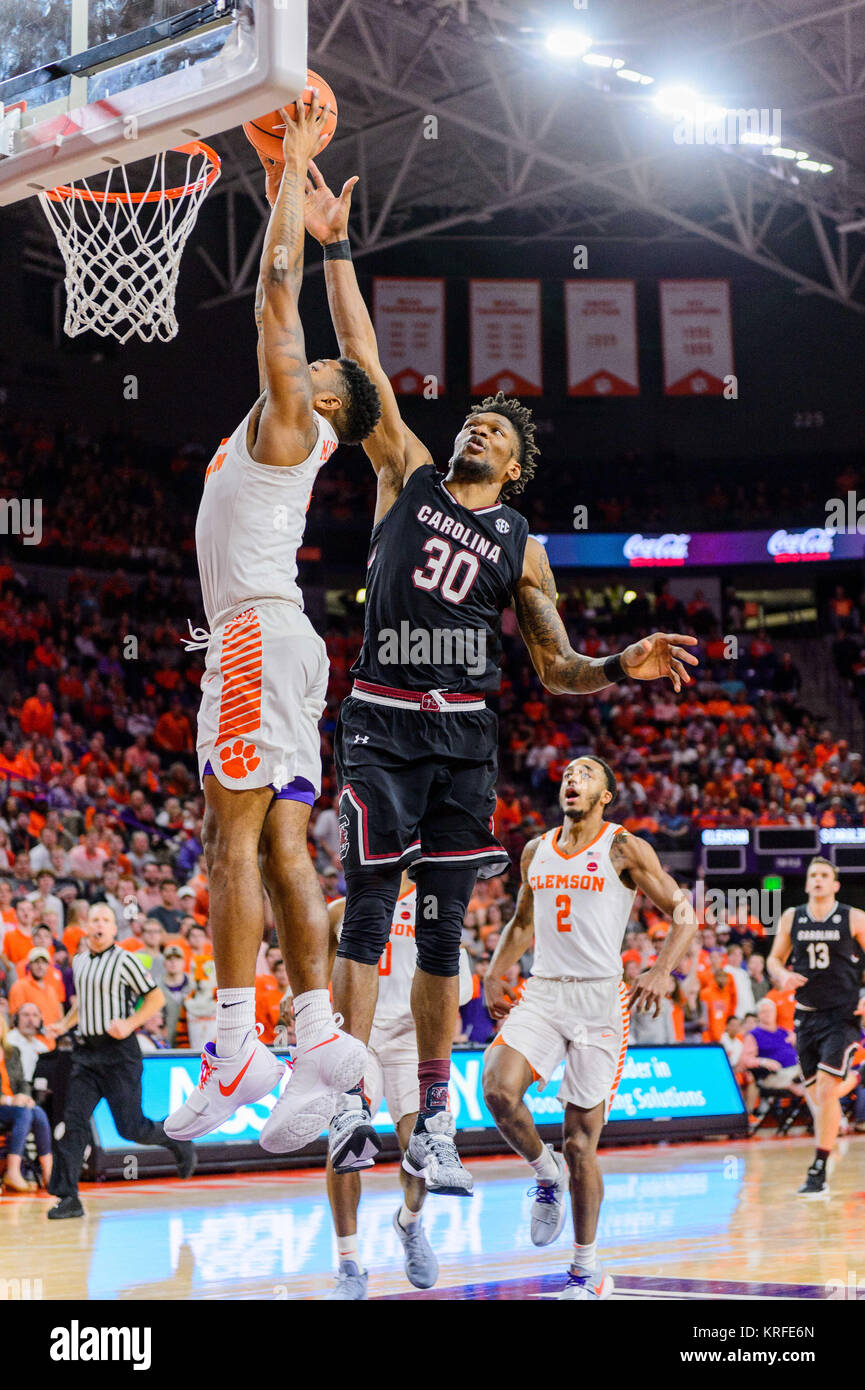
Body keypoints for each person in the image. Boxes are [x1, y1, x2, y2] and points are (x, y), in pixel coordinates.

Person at [303, 160, 699, 1191]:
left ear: (515, 466)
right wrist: (333, 244)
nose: (475, 426)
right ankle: (350, 1105)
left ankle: (432, 1119)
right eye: (471, 420)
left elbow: (556, 667)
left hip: (464, 735)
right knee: (368, 904)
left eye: (494, 429)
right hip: (384, 713)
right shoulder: (407, 472)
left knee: (441, 931)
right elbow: (362, 357)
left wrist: (618, 663)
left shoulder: (523, 545)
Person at [164, 98, 381, 1149]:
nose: (312, 362)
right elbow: (337, 337)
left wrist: (288, 174)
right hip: (284, 639)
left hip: (253, 634)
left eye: (322, 370)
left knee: (229, 836)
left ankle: (232, 1039)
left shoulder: (295, 417)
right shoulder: (306, 423)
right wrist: (304, 203)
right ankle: (317, 1035)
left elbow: (272, 299)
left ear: (326, 400)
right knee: (284, 840)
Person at [480, 757, 700, 1299]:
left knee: (580, 1144)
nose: (571, 779)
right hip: (544, 990)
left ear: (605, 795)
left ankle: (585, 1274)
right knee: (498, 1090)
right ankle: (544, 1173)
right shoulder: (536, 849)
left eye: (585, 774)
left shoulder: (623, 847)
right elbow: (523, 922)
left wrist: (661, 969)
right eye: (567, 774)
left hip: (600, 1000)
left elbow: (684, 912)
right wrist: (494, 972)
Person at [323, 875, 472, 1299]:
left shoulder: (435, 900)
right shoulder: (340, 910)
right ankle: (349, 1263)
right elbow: (320, 974)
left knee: (418, 1146)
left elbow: (459, 987)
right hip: (358, 1036)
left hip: (411, 1038)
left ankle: (409, 1222)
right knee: (345, 1142)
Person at [45, 904, 196, 1219]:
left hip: (119, 1053)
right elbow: (83, 1004)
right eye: (94, 919)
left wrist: (130, 1024)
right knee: (73, 1123)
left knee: (131, 1128)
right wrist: (64, 1023)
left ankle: (176, 1139)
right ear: (86, 926)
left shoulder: (126, 960)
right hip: (87, 1054)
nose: (99, 924)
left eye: (105, 920)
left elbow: (155, 997)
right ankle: (68, 1197)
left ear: (114, 929)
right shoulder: (79, 961)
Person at [768, 857, 865, 1196]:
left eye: (825, 875)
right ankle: (850, 1085)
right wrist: (781, 975)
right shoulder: (791, 917)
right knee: (817, 1095)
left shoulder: (853, 917)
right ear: (807, 883)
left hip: (842, 1015)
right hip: (806, 1015)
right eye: (813, 875)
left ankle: (818, 1169)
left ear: (835, 884)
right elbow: (774, 958)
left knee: (824, 1090)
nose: (819, 880)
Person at [0, 1013, 52, 1192]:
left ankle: (48, 1172)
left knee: (36, 1111)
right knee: (24, 1113)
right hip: (4, 1105)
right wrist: (9, 1099)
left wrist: (25, 1096)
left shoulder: (12, 1052)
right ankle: (13, 1171)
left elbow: (22, 1082)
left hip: (15, 1106)